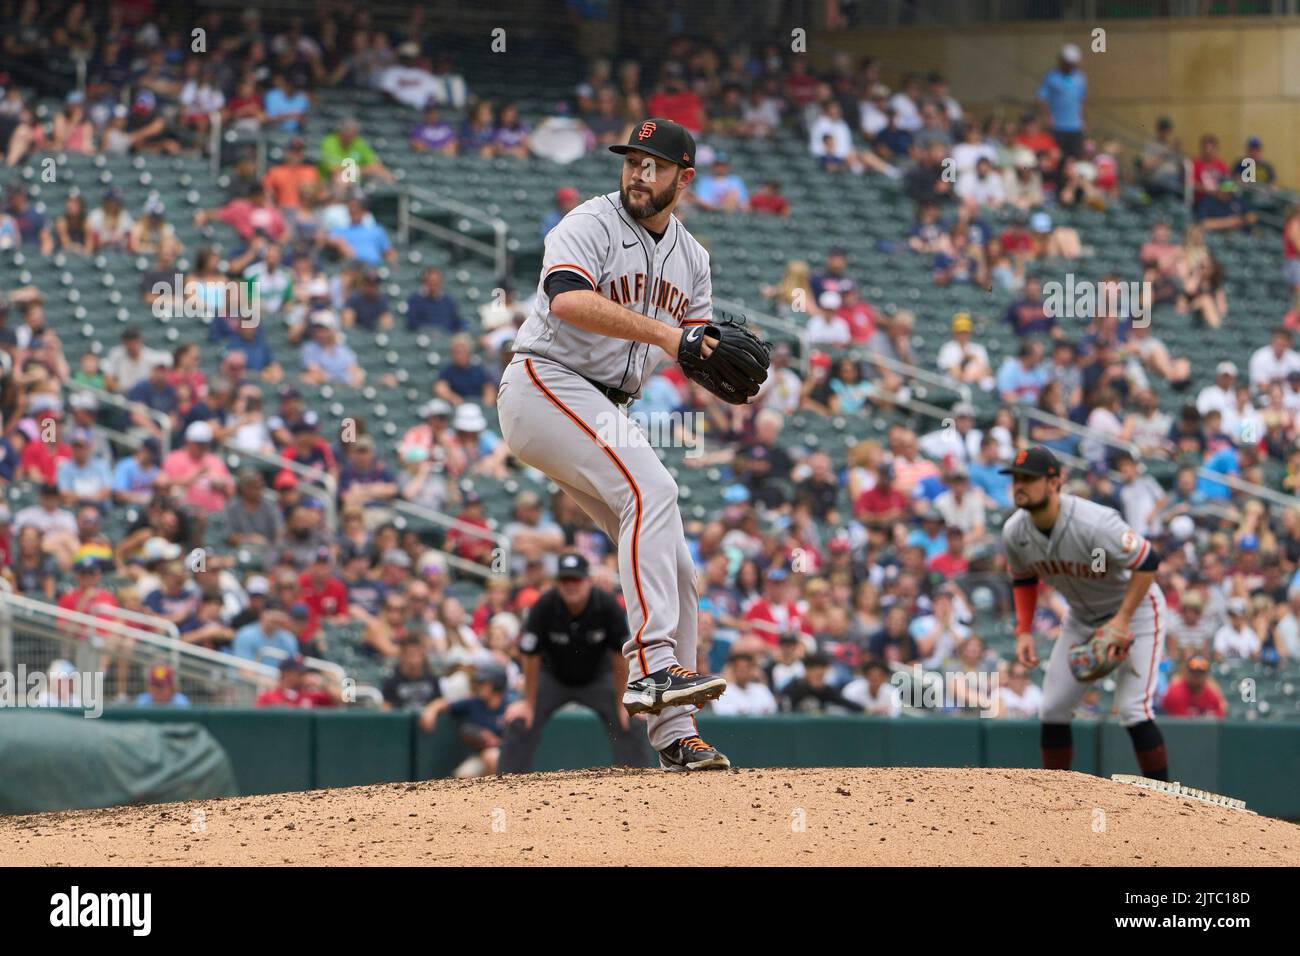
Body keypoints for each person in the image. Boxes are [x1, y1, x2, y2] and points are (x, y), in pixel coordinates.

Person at [495, 118, 740, 771]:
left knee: (678, 565)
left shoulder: (694, 259)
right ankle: (655, 667)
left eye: (653, 164)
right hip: (544, 382)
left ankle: (676, 736)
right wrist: (669, 337)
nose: (638, 172)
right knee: (651, 489)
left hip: (602, 405)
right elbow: (568, 301)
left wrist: (716, 358)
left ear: (683, 179)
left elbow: (695, 343)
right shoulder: (590, 223)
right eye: (632, 160)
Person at [1003, 446, 1169, 781]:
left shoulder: (1094, 522)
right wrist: (1024, 630)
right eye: (1016, 478)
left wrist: (1121, 620)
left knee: (1133, 709)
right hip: (1080, 616)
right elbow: (1023, 579)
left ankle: (1163, 806)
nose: (1020, 485)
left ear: (1055, 482)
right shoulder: (1014, 532)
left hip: (1134, 610)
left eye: (1029, 478)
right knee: (1052, 709)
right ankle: (1055, 800)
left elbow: (1148, 560)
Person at [498, 552, 654, 773]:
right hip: (553, 677)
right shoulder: (545, 605)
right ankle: (508, 786)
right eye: (565, 580)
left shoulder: (606, 605)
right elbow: (530, 655)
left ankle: (639, 783)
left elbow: (620, 656)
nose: (571, 586)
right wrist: (528, 702)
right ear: (557, 583)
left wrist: (622, 701)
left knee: (630, 718)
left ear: (588, 581)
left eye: (576, 580)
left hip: (599, 678)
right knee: (521, 719)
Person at [1161, 655, 1225, 718]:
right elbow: (1181, 726)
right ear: (1186, 673)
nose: (1197, 676)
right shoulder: (1176, 693)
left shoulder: (1211, 696)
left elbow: (1219, 717)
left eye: (1201, 673)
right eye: (1193, 672)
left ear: (1206, 675)